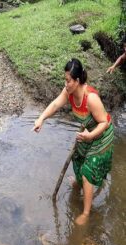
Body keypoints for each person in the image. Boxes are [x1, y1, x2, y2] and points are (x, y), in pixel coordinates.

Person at [32, 58, 114, 225]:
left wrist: (90, 136)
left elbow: (104, 122)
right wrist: (41, 119)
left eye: (68, 80)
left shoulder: (90, 98)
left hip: (102, 133)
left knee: (87, 171)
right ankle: (78, 183)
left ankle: (85, 213)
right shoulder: (68, 92)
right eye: (65, 79)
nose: (66, 83)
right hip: (87, 132)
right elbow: (55, 104)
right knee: (77, 159)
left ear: (77, 81)